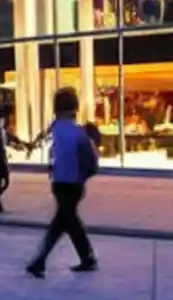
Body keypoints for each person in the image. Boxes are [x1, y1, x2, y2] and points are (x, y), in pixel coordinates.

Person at [26, 87, 98, 278]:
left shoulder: (55, 130)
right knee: (69, 221)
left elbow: (52, 155)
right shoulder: (78, 132)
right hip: (74, 183)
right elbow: (91, 163)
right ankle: (87, 258)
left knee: (61, 223)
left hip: (60, 182)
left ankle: (40, 260)